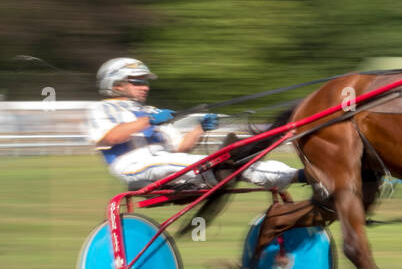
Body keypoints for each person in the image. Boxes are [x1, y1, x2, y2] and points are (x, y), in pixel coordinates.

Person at [87, 57, 304, 190]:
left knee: (236, 162)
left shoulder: (149, 111)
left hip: (167, 161)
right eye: (137, 81)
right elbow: (112, 137)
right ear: (115, 85)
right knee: (210, 165)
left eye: (145, 82)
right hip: (132, 166)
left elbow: (181, 147)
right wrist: (149, 121)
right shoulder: (102, 109)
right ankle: (218, 171)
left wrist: (201, 128)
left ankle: (298, 175)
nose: (145, 86)